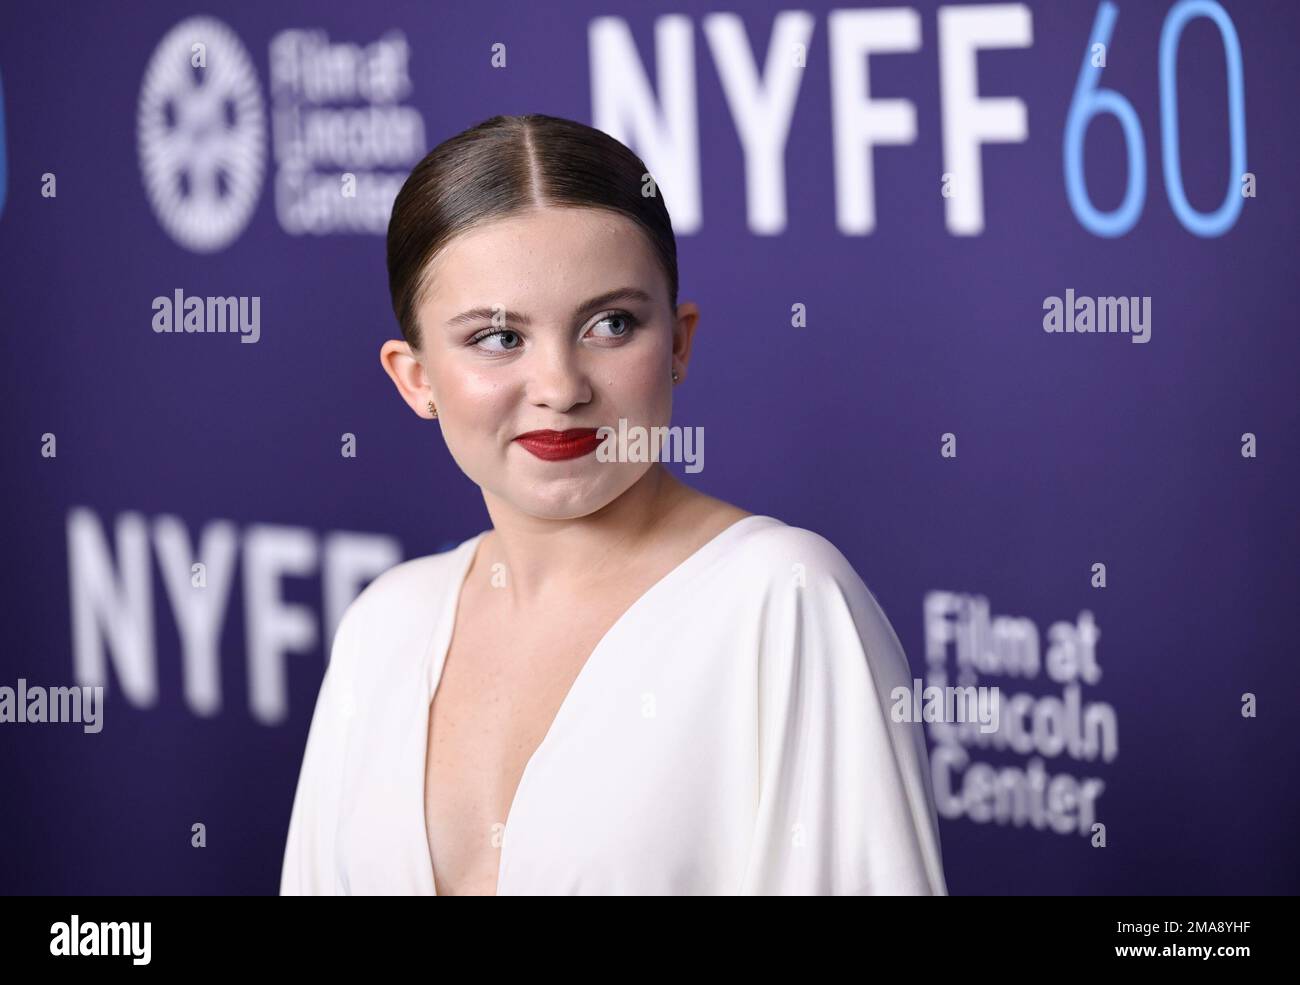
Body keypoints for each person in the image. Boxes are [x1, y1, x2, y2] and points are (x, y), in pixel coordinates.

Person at [280, 113, 947, 895]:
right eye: (498, 338)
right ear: (415, 377)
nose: (561, 388)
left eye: (610, 324)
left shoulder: (784, 601)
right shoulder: (384, 627)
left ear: (679, 344)